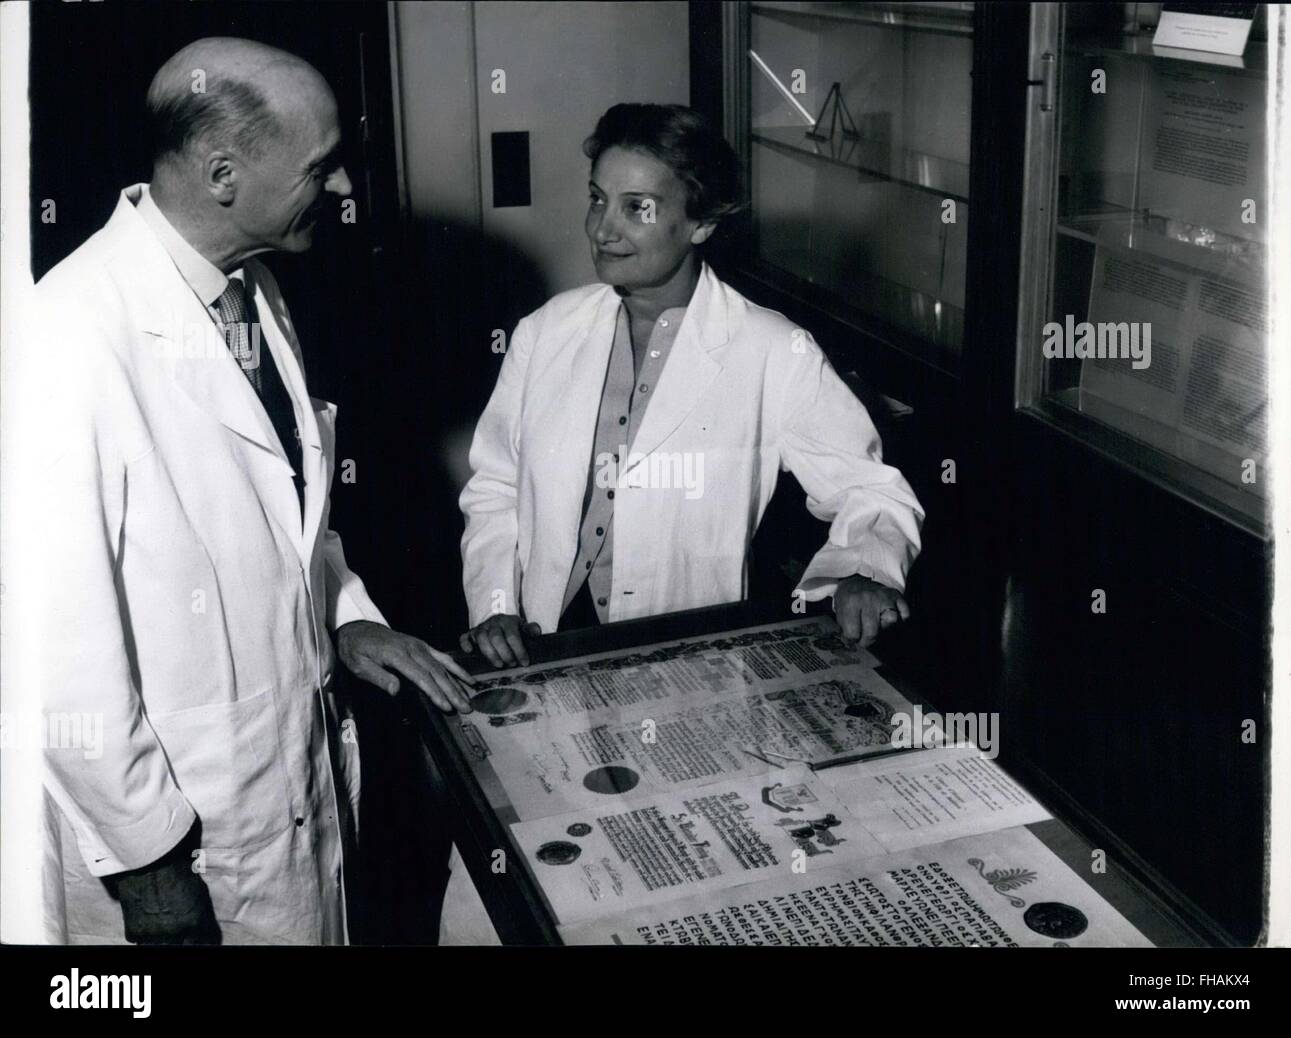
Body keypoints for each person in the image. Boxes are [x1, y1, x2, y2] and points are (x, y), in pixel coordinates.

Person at [18, 37, 473, 945]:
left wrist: (344, 615)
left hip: (287, 789)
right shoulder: (67, 336)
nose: (343, 189)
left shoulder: (252, 291)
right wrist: (147, 864)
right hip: (174, 847)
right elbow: (50, 649)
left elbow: (288, 517)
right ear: (224, 173)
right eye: (323, 166)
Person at [442, 103, 924, 943]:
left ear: (700, 221)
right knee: (519, 890)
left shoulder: (771, 350)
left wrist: (863, 566)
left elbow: (873, 488)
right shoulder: (545, 334)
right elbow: (496, 487)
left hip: (688, 666)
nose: (604, 228)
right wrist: (493, 600)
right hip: (547, 647)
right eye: (598, 199)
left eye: (639, 207)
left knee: (668, 888)